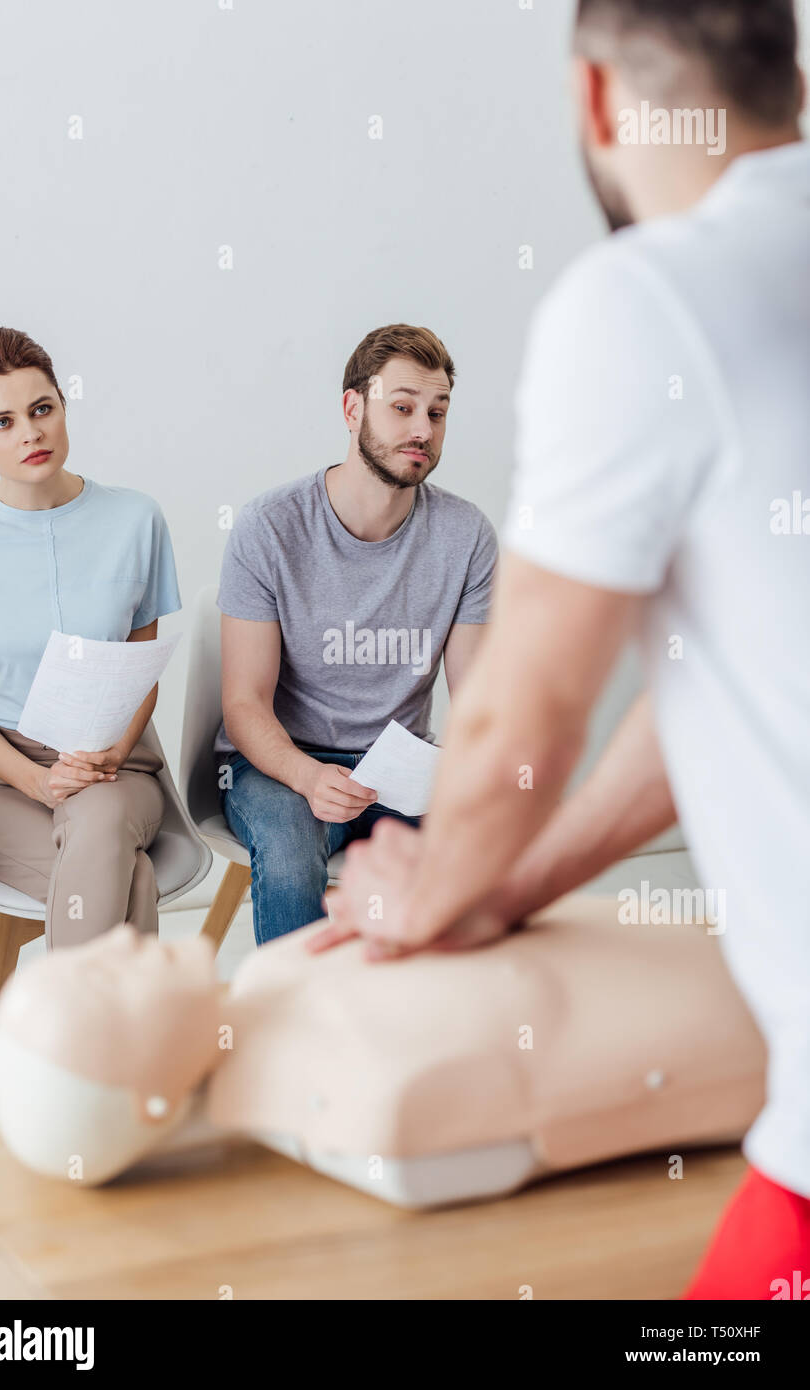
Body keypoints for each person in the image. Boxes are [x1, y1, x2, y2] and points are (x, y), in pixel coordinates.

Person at [311, 1, 810, 1300]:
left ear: (594, 101)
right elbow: (736, 682)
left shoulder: (646, 298)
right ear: (789, 77)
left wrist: (425, 892)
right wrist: (507, 880)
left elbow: (519, 714)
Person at [215, 323, 498, 944]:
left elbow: (477, 701)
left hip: (398, 770)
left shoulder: (466, 536)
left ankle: (417, 1027)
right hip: (281, 764)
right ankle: (296, 1029)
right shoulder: (269, 527)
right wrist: (309, 776)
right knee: (290, 857)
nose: (422, 429)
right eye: (402, 407)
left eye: (437, 411)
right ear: (352, 408)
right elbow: (242, 704)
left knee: (482, 852)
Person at [0, 324, 181, 947]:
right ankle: (123, 1041)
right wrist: (37, 782)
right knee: (126, 881)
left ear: (62, 406)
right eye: (2, 422)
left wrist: (106, 753)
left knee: (100, 830)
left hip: (116, 764)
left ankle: (59, 1040)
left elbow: (143, 670)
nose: (31, 434)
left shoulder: (135, 519)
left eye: (42, 409)